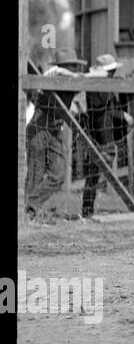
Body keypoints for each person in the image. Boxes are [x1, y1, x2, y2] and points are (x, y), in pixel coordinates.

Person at [25, 47, 87, 221]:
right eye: (72, 66)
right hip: (39, 125)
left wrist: (67, 72)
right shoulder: (52, 75)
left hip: (54, 128)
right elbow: (53, 74)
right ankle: (28, 212)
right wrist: (62, 71)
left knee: (58, 174)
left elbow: (80, 79)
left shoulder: (71, 79)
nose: (75, 69)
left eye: (74, 66)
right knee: (35, 174)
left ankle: (29, 205)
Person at [80, 53, 133, 217]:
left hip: (106, 133)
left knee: (94, 174)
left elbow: (111, 107)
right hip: (100, 134)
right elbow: (103, 108)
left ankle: (87, 209)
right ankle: (87, 209)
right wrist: (122, 115)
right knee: (95, 172)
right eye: (111, 71)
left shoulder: (105, 85)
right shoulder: (97, 86)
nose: (113, 74)